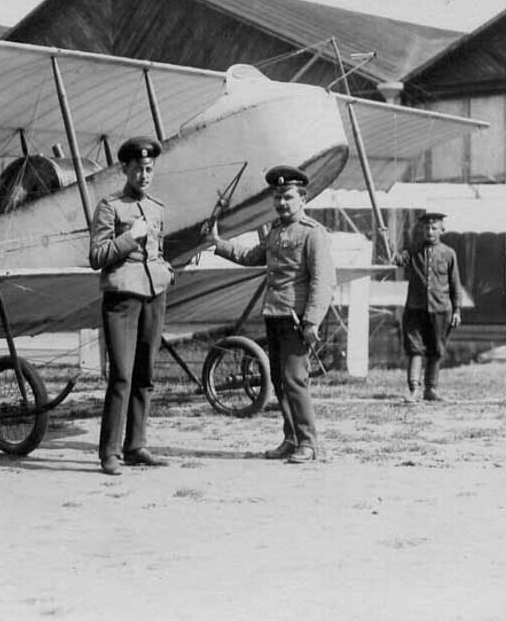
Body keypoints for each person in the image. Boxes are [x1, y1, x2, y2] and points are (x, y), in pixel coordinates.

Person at [205, 165, 335, 464]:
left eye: (288, 197)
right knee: (279, 380)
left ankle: (309, 443)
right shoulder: (276, 232)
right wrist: (217, 243)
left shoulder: (313, 233)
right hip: (274, 314)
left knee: (294, 380)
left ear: (303, 198)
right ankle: (291, 440)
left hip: (296, 319)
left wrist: (312, 320)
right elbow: (251, 257)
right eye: (277, 197)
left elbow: (323, 280)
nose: (281, 203)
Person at [89, 136, 174, 476]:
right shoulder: (110, 207)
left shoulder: (157, 207)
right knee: (122, 376)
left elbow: (159, 251)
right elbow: (97, 257)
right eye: (137, 168)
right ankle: (109, 453)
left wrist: (167, 272)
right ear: (125, 169)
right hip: (122, 298)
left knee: (145, 375)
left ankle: (136, 445)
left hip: (155, 295)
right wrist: (130, 237)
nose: (144, 174)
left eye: (149, 168)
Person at [392, 212, 462, 403]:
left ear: (442, 230)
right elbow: (397, 260)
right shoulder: (413, 250)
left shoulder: (449, 254)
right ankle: (414, 389)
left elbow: (455, 285)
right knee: (415, 348)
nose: (430, 232)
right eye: (426, 228)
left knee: (436, 349)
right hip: (416, 308)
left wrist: (457, 310)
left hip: (441, 309)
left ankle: (431, 389)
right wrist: (387, 242)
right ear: (421, 230)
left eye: (434, 228)